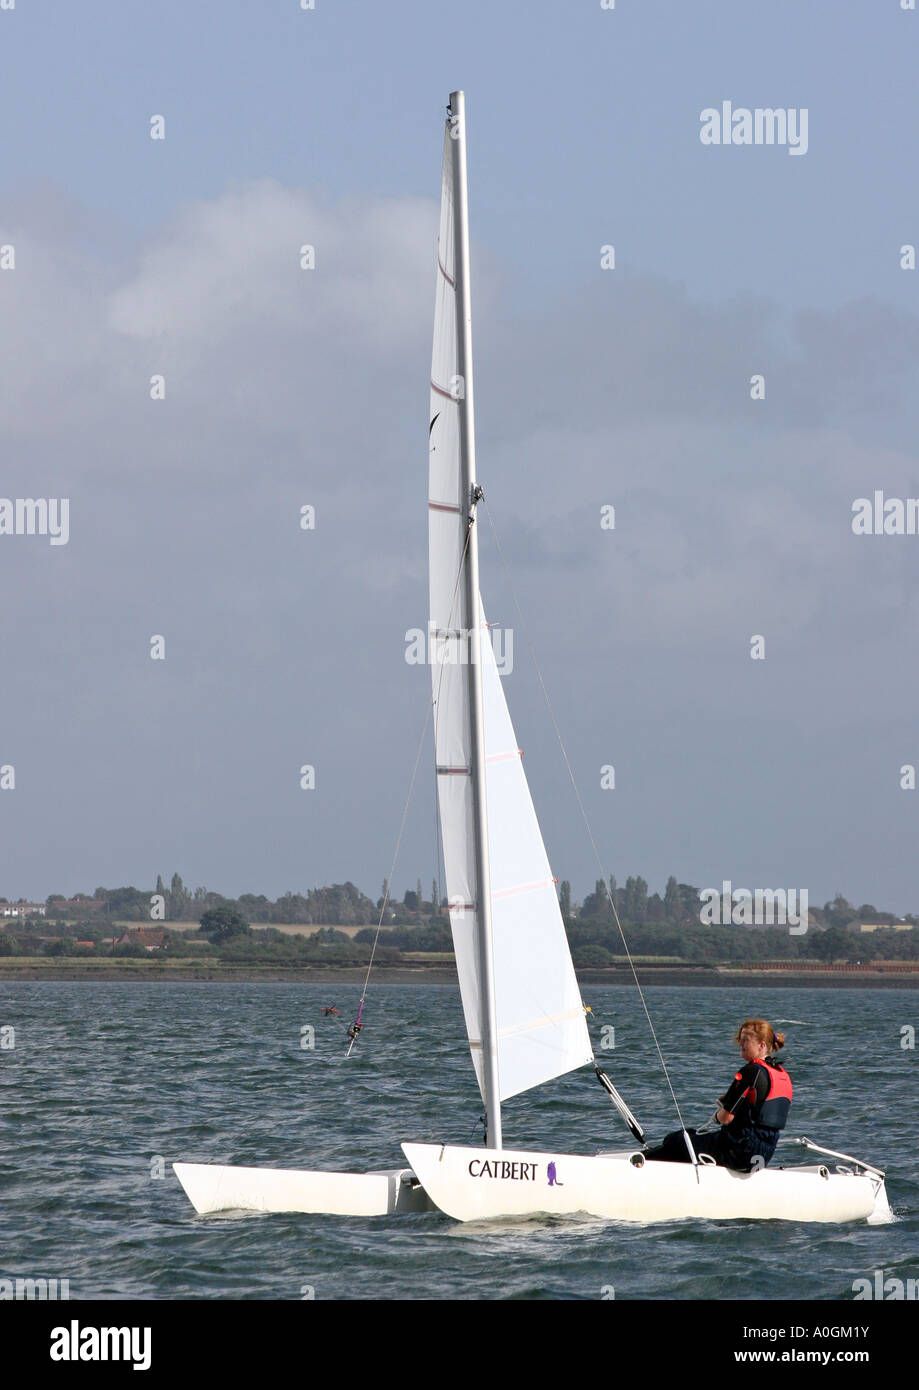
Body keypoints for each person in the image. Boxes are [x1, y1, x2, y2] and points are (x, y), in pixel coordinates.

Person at [643, 1019, 792, 1172]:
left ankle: (639, 1165)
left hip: (739, 1149)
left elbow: (725, 1118)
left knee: (677, 1140)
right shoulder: (781, 1074)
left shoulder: (751, 1071)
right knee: (690, 1138)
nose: (741, 1044)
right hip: (765, 1152)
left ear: (762, 1045)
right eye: (740, 1039)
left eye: (746, 1040)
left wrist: (719, 1114)